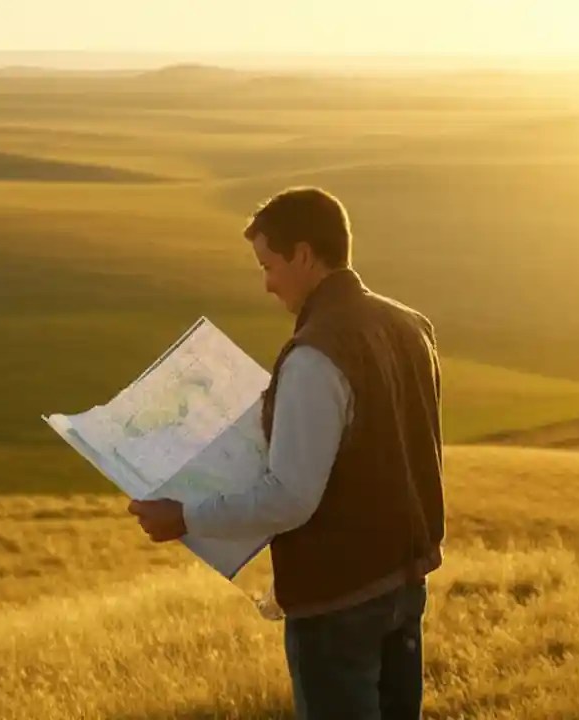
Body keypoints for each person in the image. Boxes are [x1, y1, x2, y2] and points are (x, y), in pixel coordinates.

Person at [128, 187, 445, 720]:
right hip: (405, 582)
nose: (267, 284)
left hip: (339, 601)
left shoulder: (315, 358)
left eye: (269, 265)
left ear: (304, 254)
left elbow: (290, 498)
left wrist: (183, 516)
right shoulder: (411, 326)